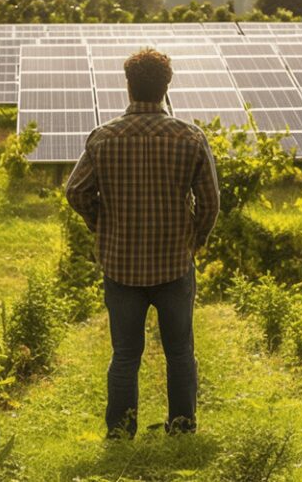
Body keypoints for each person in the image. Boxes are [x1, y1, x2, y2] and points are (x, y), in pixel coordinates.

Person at [65, 48, 220, 439]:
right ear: (166, 86)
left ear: (128, 84)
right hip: (173, 265)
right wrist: (195, 240)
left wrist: (102, 226)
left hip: (121, 267)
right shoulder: (189, 137)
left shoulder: (104, 137)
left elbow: (76, 192)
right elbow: (210, 201)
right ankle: (182, 429)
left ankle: (120, 432)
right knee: (180, 354)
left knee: (125, 356)